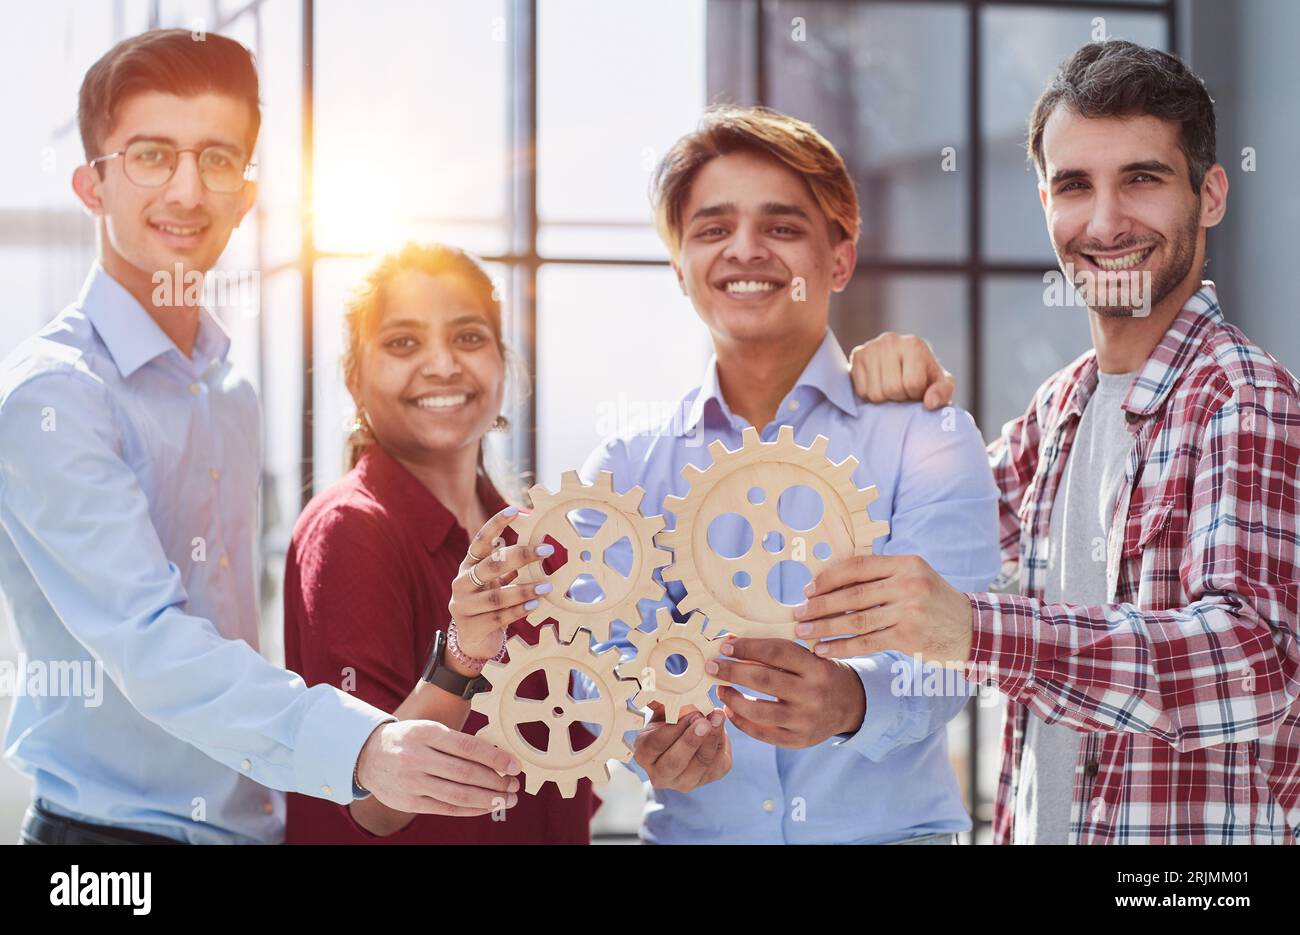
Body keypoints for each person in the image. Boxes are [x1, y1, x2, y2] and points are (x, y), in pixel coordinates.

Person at [0, 29, 518, 845]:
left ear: (245, 194)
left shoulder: (230, 390)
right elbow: (151, 642)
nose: (185, 189)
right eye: (149, 155)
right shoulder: (52, 398)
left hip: (245, 827)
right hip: (108, 844)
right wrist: (365, 746)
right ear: (90, 186)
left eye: (216, 158)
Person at [841, 41, 1300, 844]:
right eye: (1075, 185)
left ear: (1212, 193)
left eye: (1143, 179)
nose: (1105, 221)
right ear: (1045, 199)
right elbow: (911, 541)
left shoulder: (1242, 396)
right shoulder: (1059, 409)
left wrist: (977, 632)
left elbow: (1250, 661)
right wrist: (896, 402)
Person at [573, 105, 1000, 844]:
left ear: (839, 257)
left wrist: (853, 700)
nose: (745, 250)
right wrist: (644, 734)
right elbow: (594, 662)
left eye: (781, 226)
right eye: (712, 228)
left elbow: (958, 653)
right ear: (679, 265)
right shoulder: (627, 466)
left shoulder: (927, 436)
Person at [283, 243, 598, 842]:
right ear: (355, 376)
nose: (442, 365)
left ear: (503, 365)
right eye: (403, 343)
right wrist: (460, 662)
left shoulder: (542, 544)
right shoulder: (351, 529)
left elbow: (574, 753)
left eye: (469, 338)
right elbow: (373, 804)